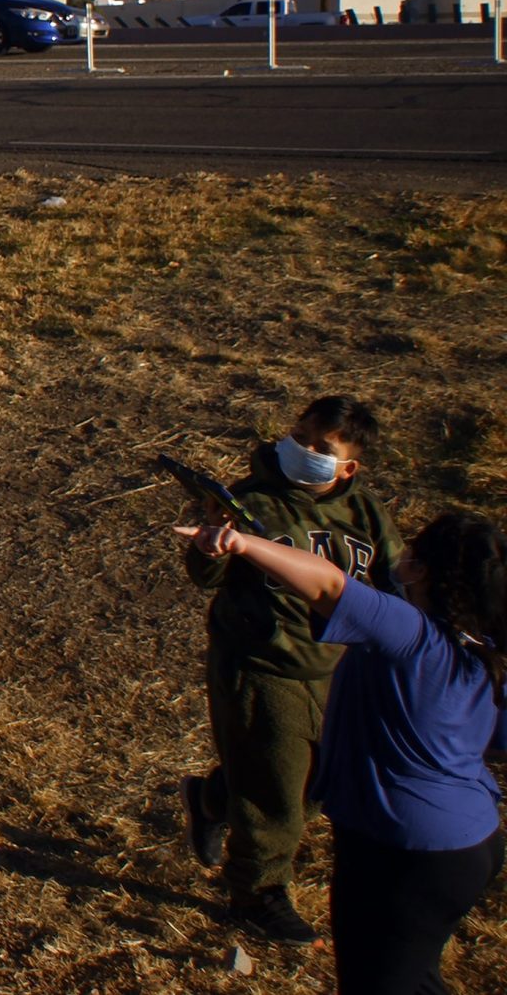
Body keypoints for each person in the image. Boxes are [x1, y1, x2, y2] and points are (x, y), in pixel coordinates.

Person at [175, 511, 507, 992]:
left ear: (418, 568)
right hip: (470, 844)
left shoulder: (414, 636)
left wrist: (242, 544)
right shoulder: (487, 649)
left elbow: (329, 585)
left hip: (400, 848)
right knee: (411, 974)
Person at [177, 395, 402, 943]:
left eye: (320, 447)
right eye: (299, 436)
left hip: (336, 666)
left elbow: (394, 579)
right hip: (262, 662)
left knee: (315, 780)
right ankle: (257, 892)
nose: (301, 449)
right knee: (277, 794)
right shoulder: (254, 501)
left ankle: (213, 797)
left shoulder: (364, 512)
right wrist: (211, 548)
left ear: (347, 467)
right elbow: (207, 579)